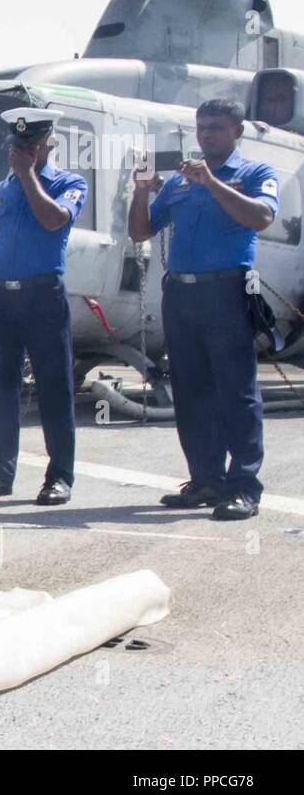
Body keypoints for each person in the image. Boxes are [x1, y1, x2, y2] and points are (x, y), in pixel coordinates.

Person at [128, 98, 279, 520]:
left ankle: (244, 486)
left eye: (216, 127)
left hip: (226, 292)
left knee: (236, 391)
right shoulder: (178, 183)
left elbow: (262, 218)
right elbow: (140, 229)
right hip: (181, 294)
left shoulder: (255, 174)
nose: (207, 135)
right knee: (192, 392)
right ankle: (206, 479)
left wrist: (212, 182)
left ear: (237, 131)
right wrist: (141, 192)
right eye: (202, 127)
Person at [0, 108, 88, 505]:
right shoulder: (2, 190)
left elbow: (54, 221)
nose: (24, 153)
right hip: (3, 297)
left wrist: (29, 174)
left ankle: (59, 476)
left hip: (42, 295)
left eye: (32, 146)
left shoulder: (69, 183)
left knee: (53, 387)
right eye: (18, 147)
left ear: (49, 143)